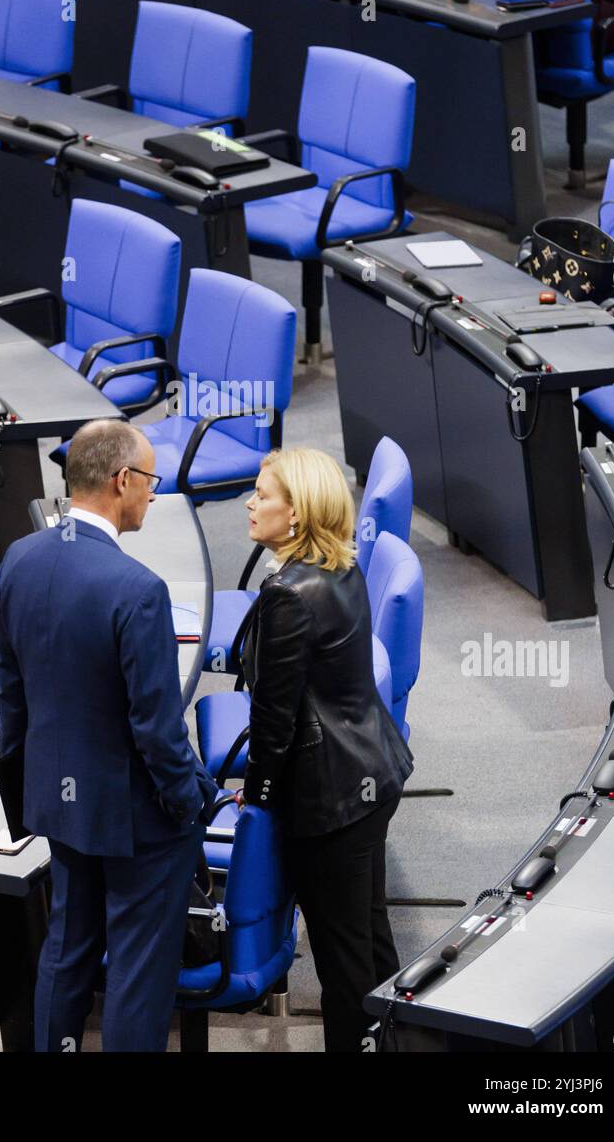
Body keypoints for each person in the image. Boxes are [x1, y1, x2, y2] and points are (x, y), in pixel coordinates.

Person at [0, 419, 216, 1053]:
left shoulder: (20, 557)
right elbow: (157, 730)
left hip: (59, 805)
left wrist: (29, 781)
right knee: (138, 978)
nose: (152, 493)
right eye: (149, 480)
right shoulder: (139, 591)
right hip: (134, 821)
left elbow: (10, 694)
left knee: (67, 949)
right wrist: (186, 804)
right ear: (122, 481)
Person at [237, 448, 413, 1053]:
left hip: (330, 799)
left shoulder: (288, 593)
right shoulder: (339, 566)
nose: (250, 503)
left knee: (343, 964)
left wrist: (254, 799)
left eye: (263, 495)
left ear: (297, 512)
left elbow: (274, 720)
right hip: (373, 775)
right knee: (369, 936)